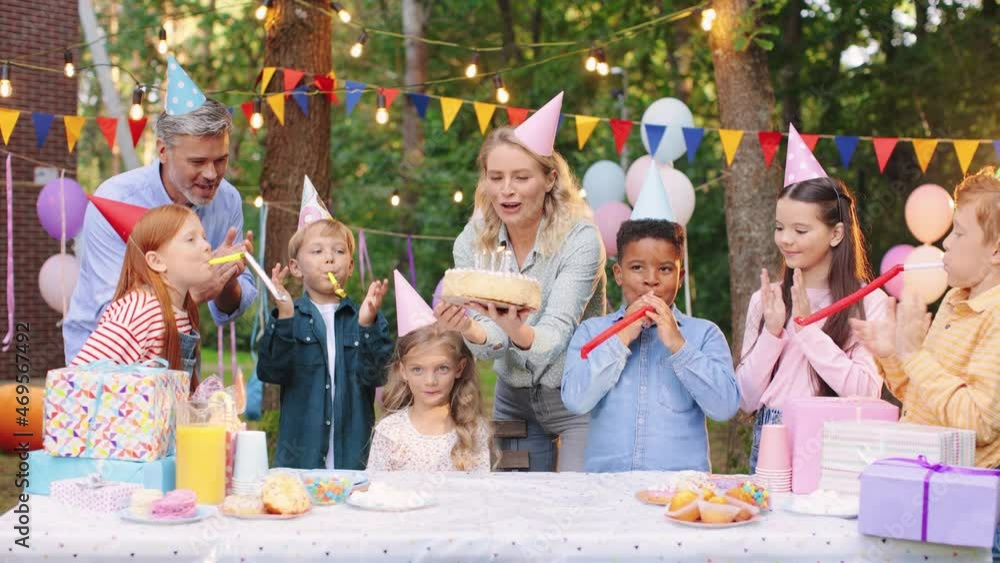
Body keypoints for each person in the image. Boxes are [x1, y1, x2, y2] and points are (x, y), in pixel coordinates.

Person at [434, 93, 606, 472]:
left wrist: (516, 329)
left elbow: (556, 333)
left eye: (521, 177)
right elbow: (489, 346)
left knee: (579, 504)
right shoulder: (472, 241)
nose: (505, 190)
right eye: (496, 178)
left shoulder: (579, 240)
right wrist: (470, 329)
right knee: (517, 505)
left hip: (579, 395)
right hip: (514, 398)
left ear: (549, 179)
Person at [64, 56, 255, 363]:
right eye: (197, 162)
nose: (211, 174)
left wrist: (227, 279)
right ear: (163, 150)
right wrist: (193, 292)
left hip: (178, 357)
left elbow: (229, 309)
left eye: (220, 159)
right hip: (105, 368)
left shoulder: (227, 200)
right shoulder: (116, 198)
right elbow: (112, 309)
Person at [736, 126, 886, 473]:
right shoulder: (766, 300)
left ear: (836, 234)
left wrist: (808, 332)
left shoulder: (868, 301)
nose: (785, 240)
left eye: (800, 230)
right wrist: (772, 334)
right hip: (773, 432)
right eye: (779, 227)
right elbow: (745, 398)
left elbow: (867, 392)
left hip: (838, 437)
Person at [562, 219, 739, 472]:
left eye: (665, 269)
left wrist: (679, 346)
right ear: (619, 275)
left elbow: (725, 407)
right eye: (637, 268)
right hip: (607, 489)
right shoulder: (591, 332)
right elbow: (575, 400)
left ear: (680, 278)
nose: (651, 280)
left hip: (679, 491)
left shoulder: (705, 334)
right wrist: (621, 338)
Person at [256, 210, 392, 470]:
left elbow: (378, 376)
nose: (330, 258)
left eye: (339, 252)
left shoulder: (364, 316)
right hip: (301, 463)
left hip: (353, 462)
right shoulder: (290, 317)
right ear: (296, 267)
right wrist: (284, 316)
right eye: (317, 251)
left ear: (351, 266)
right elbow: (271, 371)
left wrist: (367, 325)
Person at [369, 273, 493, 471]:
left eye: (442, 368)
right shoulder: (391, 432)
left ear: (459, 368)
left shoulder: (473, 432)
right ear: (403, 371)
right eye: (417, 369)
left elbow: (480, 495)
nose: (430, 381)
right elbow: (377, 491)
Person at [71, 204, 210, 378]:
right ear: (156, 261)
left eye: (204, 238)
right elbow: (78, 381)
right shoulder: (139, 310)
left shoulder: (182, 311)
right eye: (191, 239)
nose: (207, 246)